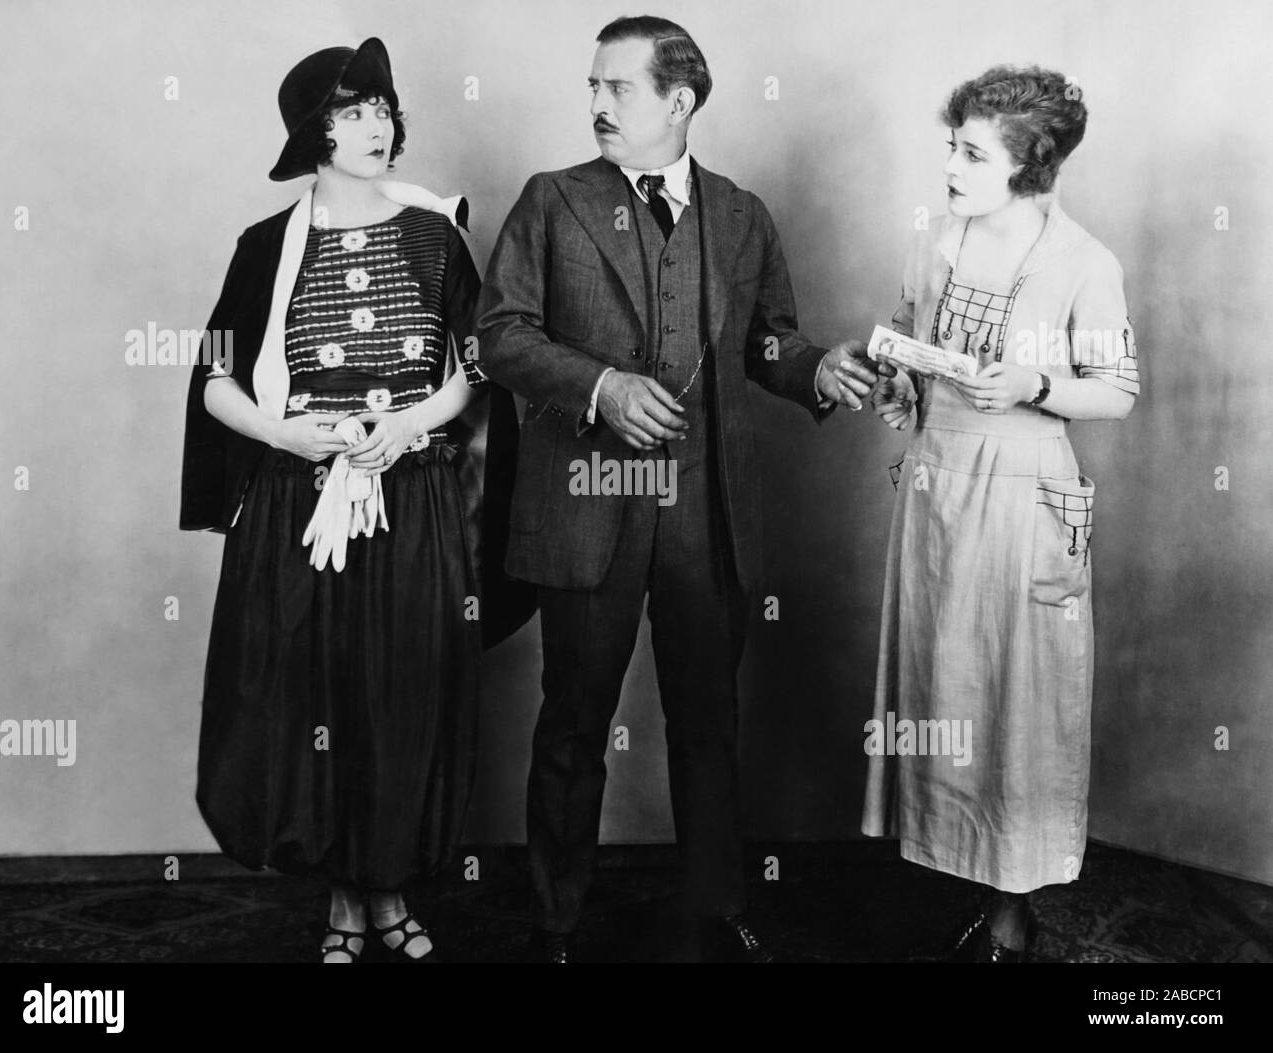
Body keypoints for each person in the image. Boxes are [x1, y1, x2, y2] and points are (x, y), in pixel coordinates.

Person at [475, 15, 887, 962]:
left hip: (707, 517)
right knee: (573, 724)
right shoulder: (551, 200)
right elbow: (500, 335)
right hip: (586, 510)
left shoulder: (741, 214)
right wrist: (601, 387)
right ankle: (557, 921)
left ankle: (715, 903)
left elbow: (767, 343)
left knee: (710, 723)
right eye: (592, 87)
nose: (596, 105)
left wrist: (818, 370)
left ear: (680, 101)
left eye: (616, 88)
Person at [179, 38, 528, 962]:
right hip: (301, 505)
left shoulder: (432, 232)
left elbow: (478, 365)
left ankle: (390, 888)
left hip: (412, 501)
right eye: (349, 113)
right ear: (313, 136)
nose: (374, 127)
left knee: (404, 692)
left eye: (380, 109)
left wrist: (411, 425)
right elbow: (215, 380)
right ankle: (344, 897)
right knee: (317, 698)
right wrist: (292, 435)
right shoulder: (266, 247)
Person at [862, 65, 1140, 962]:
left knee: (1023, 699)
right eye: (952, 143)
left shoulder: (1085, 264)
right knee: (945, 684)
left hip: (1027, 499)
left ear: (1031, 164)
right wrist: (899, 381)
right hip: (940, 485)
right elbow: (913, 347)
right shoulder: (935, 243)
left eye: (972, 152)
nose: (950, 162)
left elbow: (1119, 390)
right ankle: (951, 861)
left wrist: (1035, 383)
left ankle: (1013, 904)